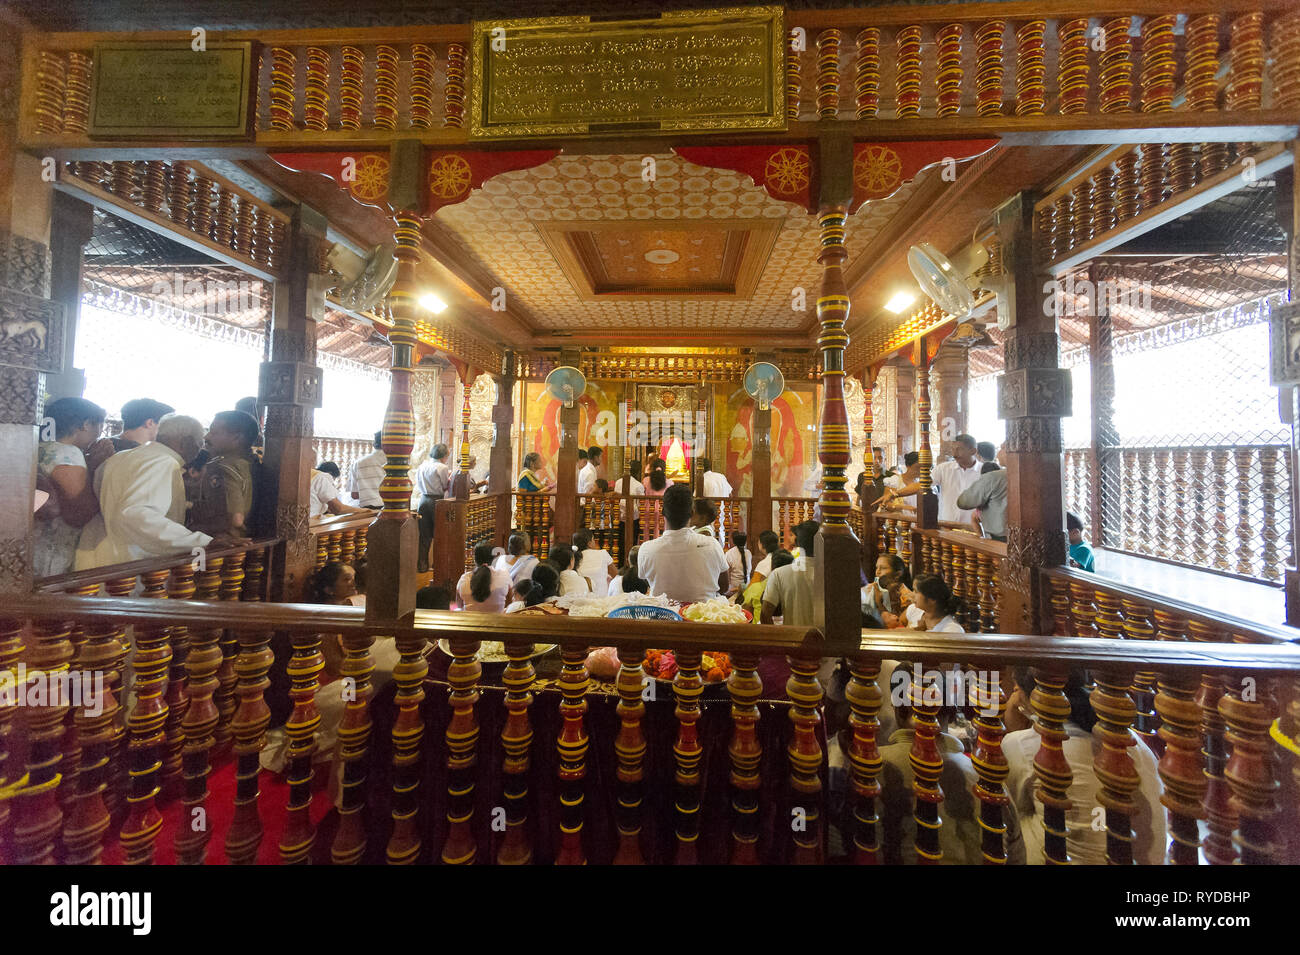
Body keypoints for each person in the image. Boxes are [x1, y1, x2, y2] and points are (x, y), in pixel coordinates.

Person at [1003, 668, 1166, 865]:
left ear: (1027, 696)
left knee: (1002, 817)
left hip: (1062, 858)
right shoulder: (1130, 739)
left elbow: (1007, 803)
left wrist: (1013, 726)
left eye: (1016, 690)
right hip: (1149, 863)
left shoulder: (1023, 744)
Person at [877, 693, 1026, 864]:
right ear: (953, 711)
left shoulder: (871, 767)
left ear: (896, 710)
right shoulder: (989, 780)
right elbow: (1017, 857)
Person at [75, 414, 214, 569]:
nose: (199, 449)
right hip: (129, 563)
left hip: (98, 554)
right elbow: (135, 515)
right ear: (186, 442)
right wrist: (201, 541)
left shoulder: (121, 457)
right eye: (200, 443)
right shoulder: (163, 462)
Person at [34, 396, 112, 577]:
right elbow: (79, 513)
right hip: (51, 550)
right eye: (99, 426)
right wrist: (93, 467)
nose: (99, 434)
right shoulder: (68, 454)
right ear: (86, 424)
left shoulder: (40, 447)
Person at [637, 484, 729, 603]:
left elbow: (646, 584)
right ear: (692, 512)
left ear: (663, 511)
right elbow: (724, 587)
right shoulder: (712, 544)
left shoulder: (646, 549)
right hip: (702, 618)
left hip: (663, 617)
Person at [880, 434, 981, 523]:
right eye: (953, 449)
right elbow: (921, 484)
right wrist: (895, 494)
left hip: (974, 529)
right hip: (947, 526)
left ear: (973, 451)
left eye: (959, 449)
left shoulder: (985, 472)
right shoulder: (944, 469)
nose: (954, 454)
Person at [189, 410, 259, 539]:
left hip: (223, 544)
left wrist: (193, 529)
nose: (206, 437)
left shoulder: (223, 468)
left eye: (214, 432)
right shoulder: (251, 463)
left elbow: (235, 519)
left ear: (236, 437)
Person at [760, 520, 819, 627]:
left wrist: (778, 638)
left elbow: (765, 614)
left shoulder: (779, 573)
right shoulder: (831, 574)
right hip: (824, 642)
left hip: (792, 639)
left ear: (798, 542)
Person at [956, 447, 1008, 541]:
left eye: (1002, 448)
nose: (998, 452)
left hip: (999, 539)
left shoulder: (993, 477)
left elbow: (963, 501)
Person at [415, 443, 452, 574]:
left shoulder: (422, 466)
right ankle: (438, 565)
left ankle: (422, 566)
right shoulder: (442, 467)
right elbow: (444, 485)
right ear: (444, 455)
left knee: (424, 535)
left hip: (423, 500)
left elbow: (418, 483)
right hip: (437, 500)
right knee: (439, 533)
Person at [861, 553, 914, 628]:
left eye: (883, 568)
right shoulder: (870, 589)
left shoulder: (907, 598)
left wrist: (879, 602)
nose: (878, 572)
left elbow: (893, 623)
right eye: (877, 568)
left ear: (898, 574)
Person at [455, 542, 512, 612]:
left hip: (471, 621)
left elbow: (459, 605)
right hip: (496, 621)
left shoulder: (464, 579)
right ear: (494, 558)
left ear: (474, 559)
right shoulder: (504, 575)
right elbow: (509, 604)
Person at [348, 431, 386, 508]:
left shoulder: (357, 463)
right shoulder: (397, 461)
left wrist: (367, 494)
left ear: (374, 443)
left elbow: (354, 495)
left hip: (367, 511)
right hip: (391, 509)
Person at [573, 528, 614, 594]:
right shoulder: (602, 553)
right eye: (593, 540)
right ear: (589, 543)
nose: (595, 542)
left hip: (581, 600)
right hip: (602, 601)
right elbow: (616, 575)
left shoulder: (573, 558)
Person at [618, 459, 645, 546]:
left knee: (621, 543)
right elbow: (641, 504)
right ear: (638, 472)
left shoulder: (618, 482)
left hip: (619, 517)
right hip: (633, 519)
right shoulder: (638, 485)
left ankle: (622, 559)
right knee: (632, 542)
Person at [724, 531, 751, 597]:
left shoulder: (729, 553)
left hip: (733, 588)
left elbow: (726, 572)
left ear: (733, 541)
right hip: (747, 586)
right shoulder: (748, 553)